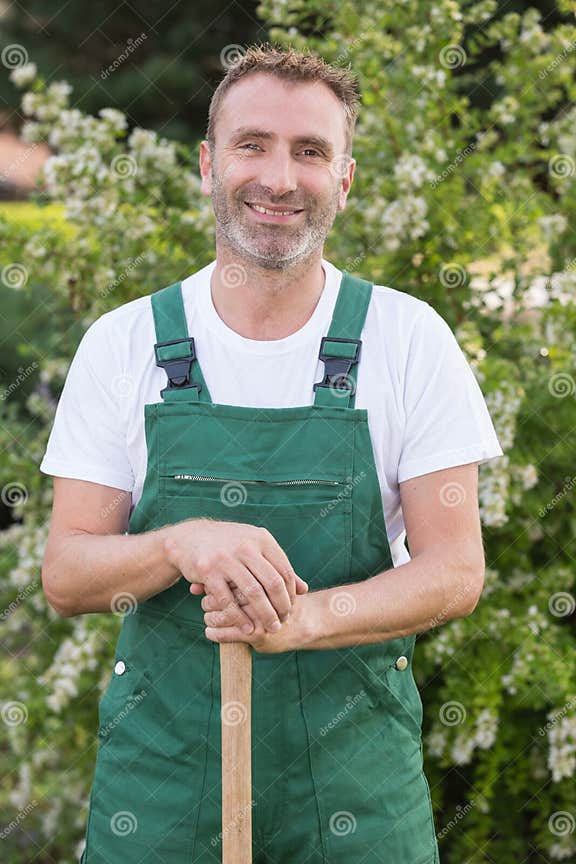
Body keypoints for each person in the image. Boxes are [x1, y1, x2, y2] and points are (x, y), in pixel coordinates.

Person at [40, 42, 504, 864]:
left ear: (346, 178)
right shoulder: (126, 344)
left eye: (311, 152)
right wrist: (180, 541)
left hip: (359, 793)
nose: (281, 179)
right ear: (209, 162)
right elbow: (69, 573)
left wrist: (307, 618)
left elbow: (456, 571)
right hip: (159, 792)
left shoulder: (407, 340)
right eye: (254, 145)